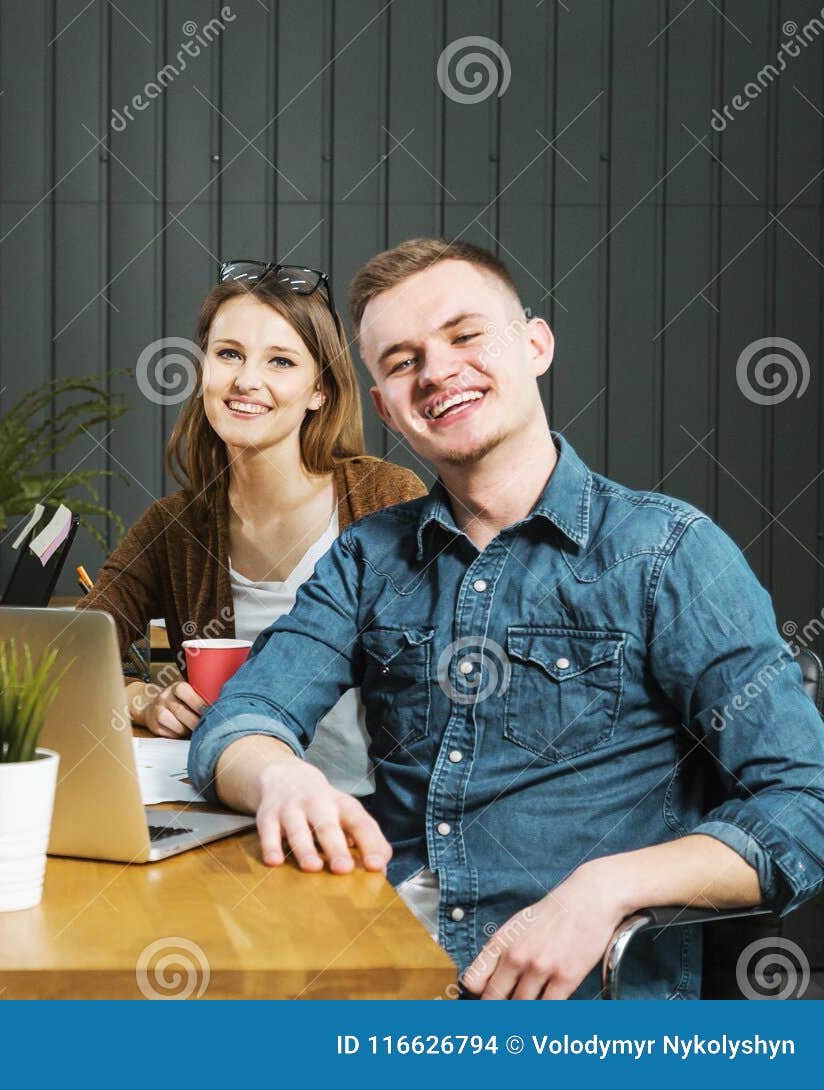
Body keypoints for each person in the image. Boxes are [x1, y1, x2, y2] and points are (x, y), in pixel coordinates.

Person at [187, 237, 824, 999]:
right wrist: (280, 777)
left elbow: (806, 804)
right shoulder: (367, 557)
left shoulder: (668, 552)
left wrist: (608, 887)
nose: (437, 372)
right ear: (386, 406)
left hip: (573, 1007)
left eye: (465, 335)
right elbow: (242, 717)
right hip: (376, 974)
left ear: (535, 345)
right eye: (402, 361)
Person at [79, 261, 424, 795]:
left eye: (280, 361)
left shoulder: (385, 497)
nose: (246, 380)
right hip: (229, 811)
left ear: (319, 391)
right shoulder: (175, 526)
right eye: (229, 354)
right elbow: (70, 653)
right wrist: (140, 699)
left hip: (369, 814)